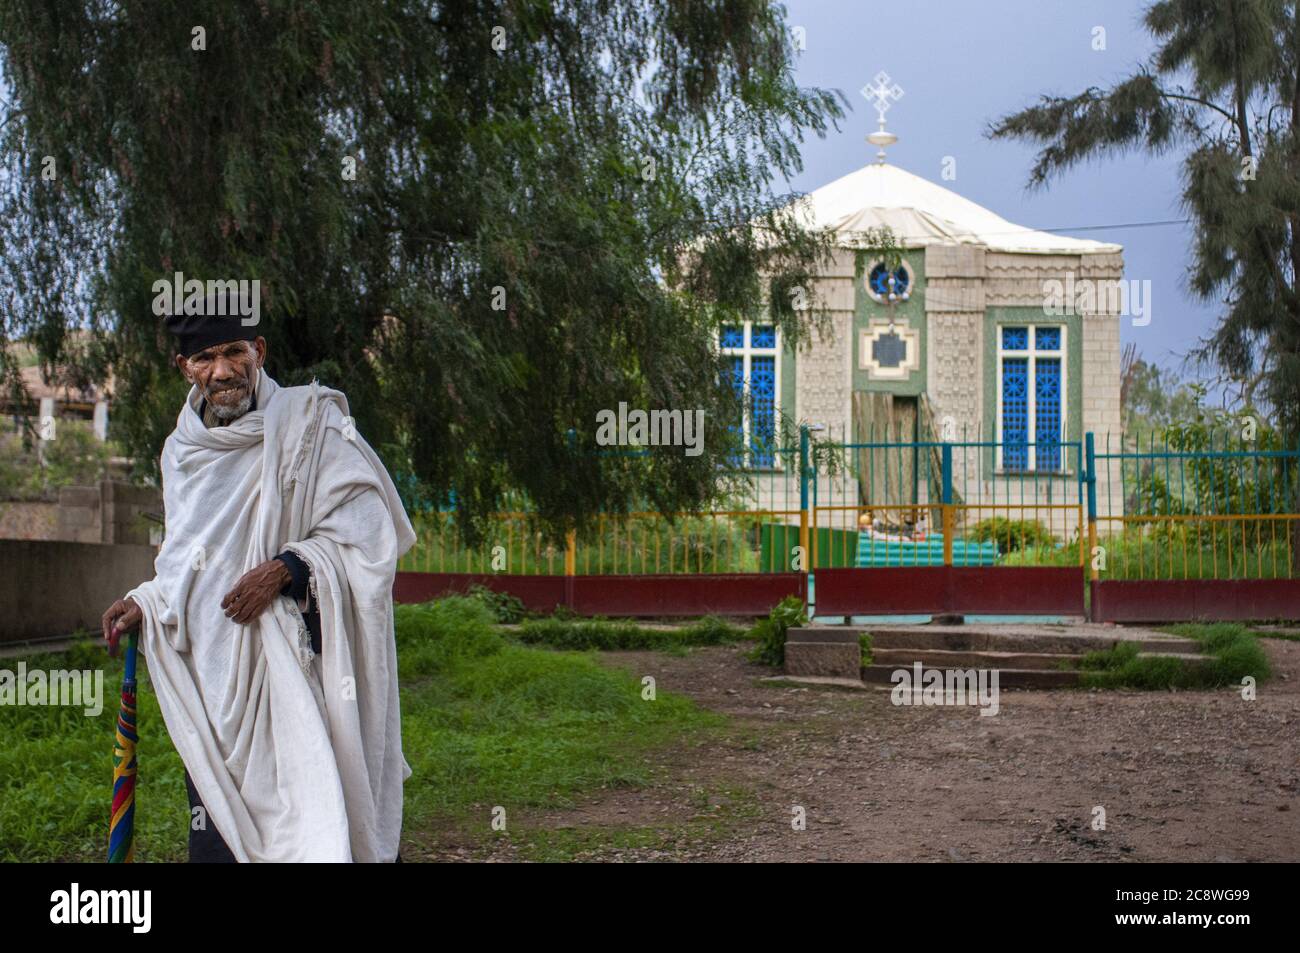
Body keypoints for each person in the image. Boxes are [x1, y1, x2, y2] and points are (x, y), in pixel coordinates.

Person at [101, 300, 415, 862]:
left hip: (299, 666)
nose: (222, 370)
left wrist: (287, 569)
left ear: (258, 352)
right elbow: (183, 562)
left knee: (314, 812)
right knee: (219, 835)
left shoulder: (313, 424)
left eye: (233, 352)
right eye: (205, 358)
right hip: (213, 678)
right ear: (185, 367)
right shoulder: (181, 454)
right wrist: (144, 602)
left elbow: (370, 535)